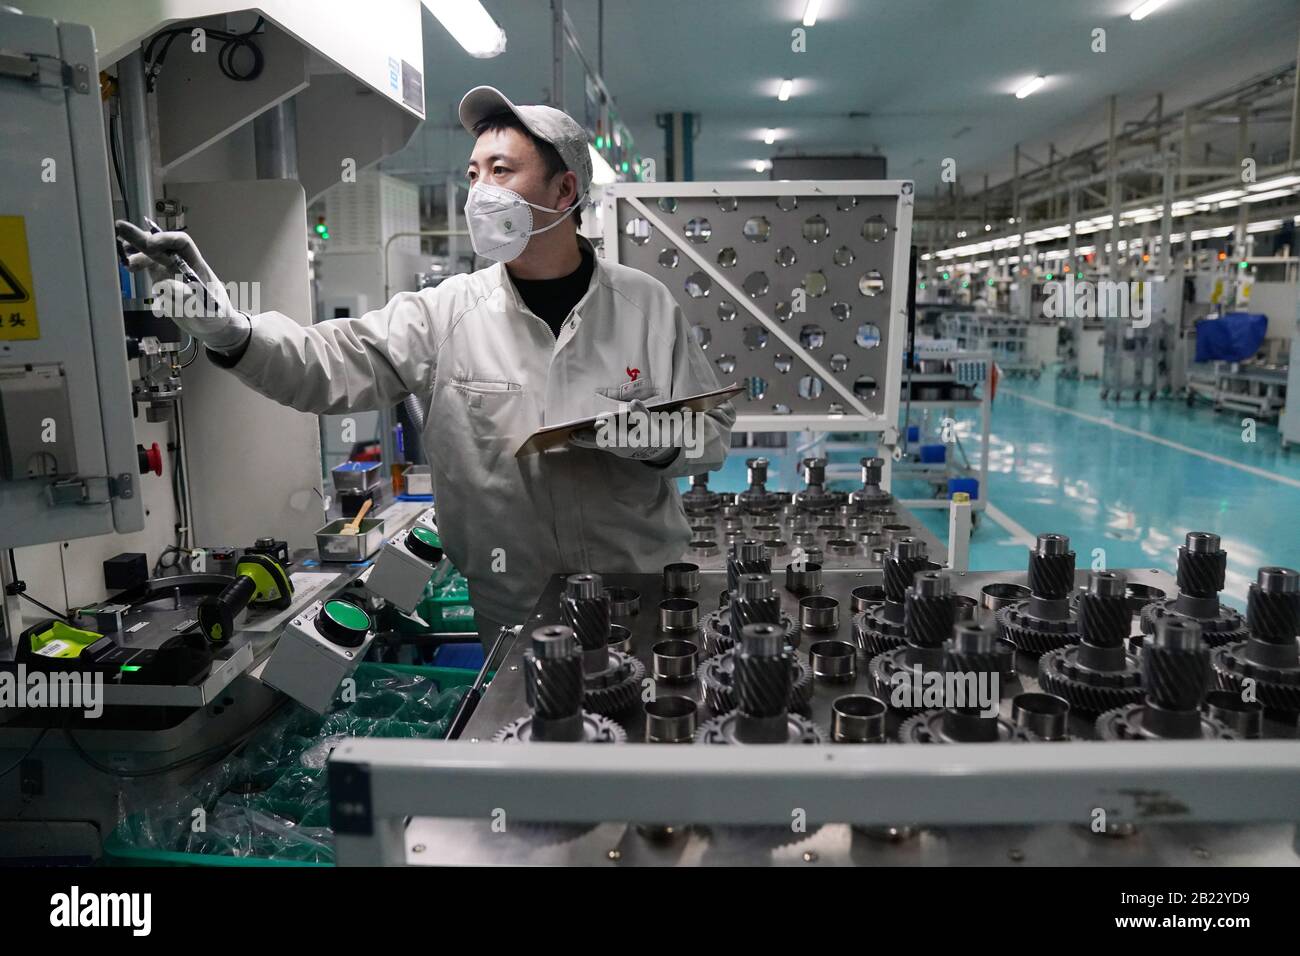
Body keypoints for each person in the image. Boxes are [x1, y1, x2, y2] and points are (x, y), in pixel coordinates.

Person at [116, 86, 735, 651]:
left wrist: (651, 440)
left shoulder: (644, 304)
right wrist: (229, 328)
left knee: (647, 749)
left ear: (564, 191)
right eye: (473, 173)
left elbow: (711, 431)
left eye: (501, 170)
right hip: (515, 609)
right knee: (536, 756)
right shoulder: (444, 314)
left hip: (644, 596)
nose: (479, 191)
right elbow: (322, 364)